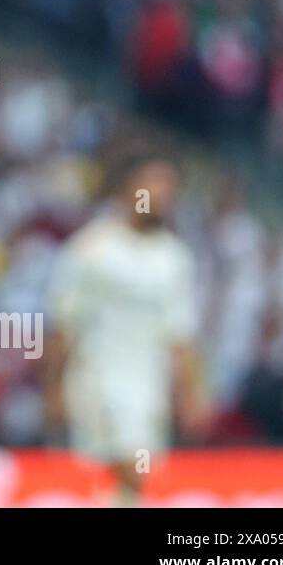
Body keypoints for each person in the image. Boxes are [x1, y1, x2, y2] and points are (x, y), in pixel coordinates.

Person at [45, 151, 211, 506]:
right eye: (153, 182)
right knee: (130, 472)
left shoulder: (175, 258)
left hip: (149, 390)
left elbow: (180, 337)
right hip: (98, 383)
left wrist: (192, 396)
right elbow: (64, 325)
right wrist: (54, 389)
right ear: (128, 189)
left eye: (170, 185)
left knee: (128, 489)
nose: (163, 192)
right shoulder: (93, 248)